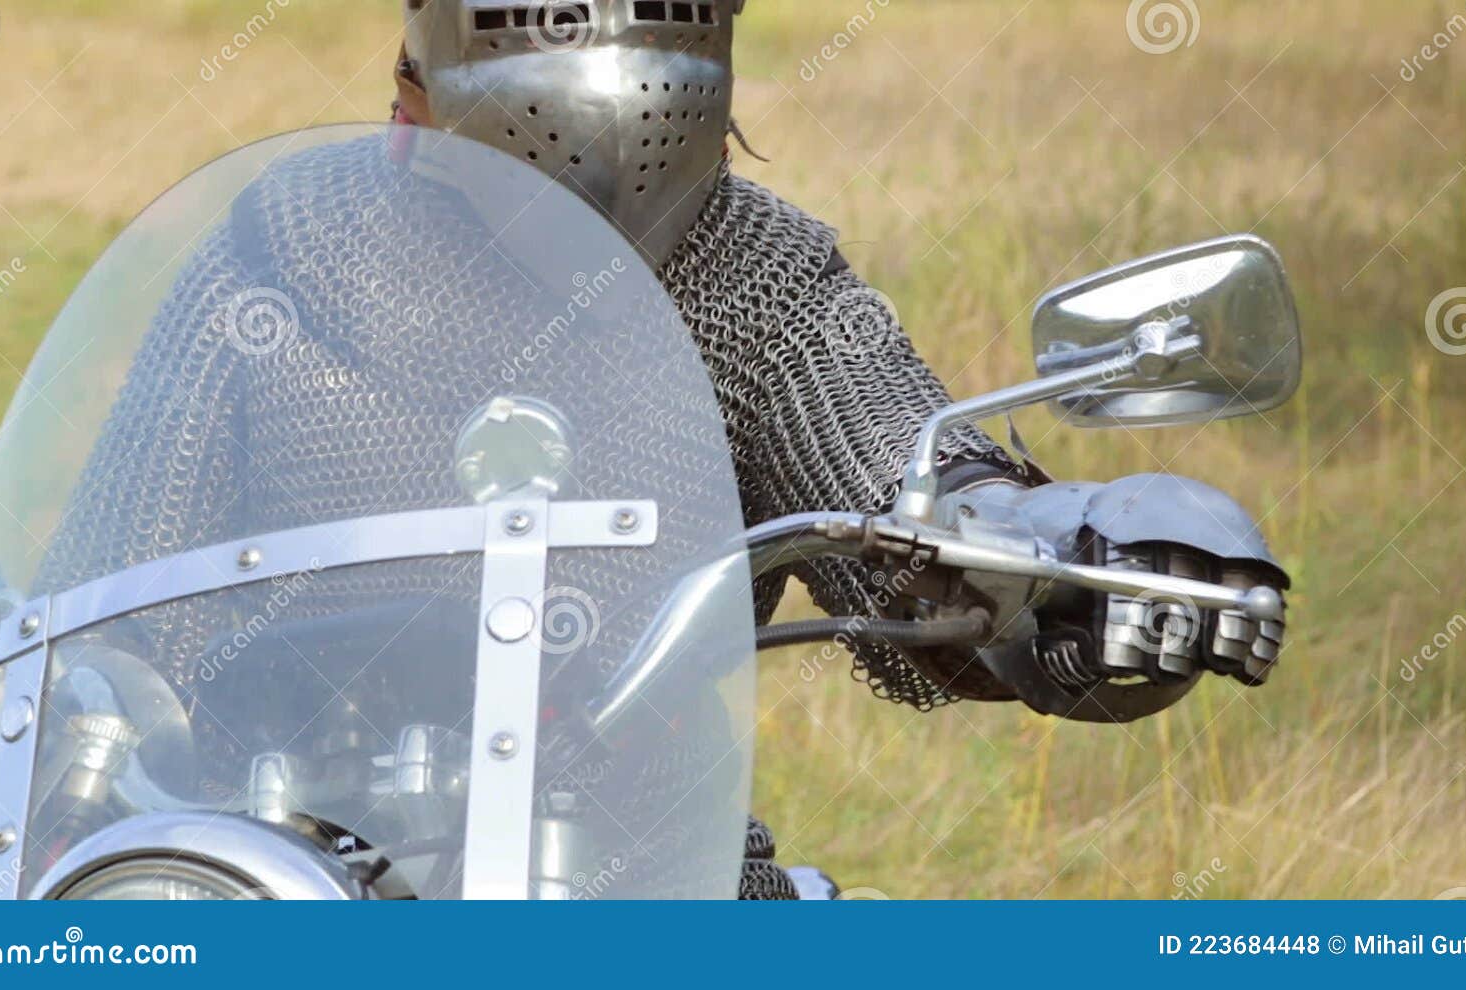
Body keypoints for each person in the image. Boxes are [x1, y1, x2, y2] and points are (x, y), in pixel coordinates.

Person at [388, 1, 1287, 898]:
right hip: (318, 857)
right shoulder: (317, 262)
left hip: (664, 867)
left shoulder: (748, 266)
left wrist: (1056, 549)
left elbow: (889, 453)